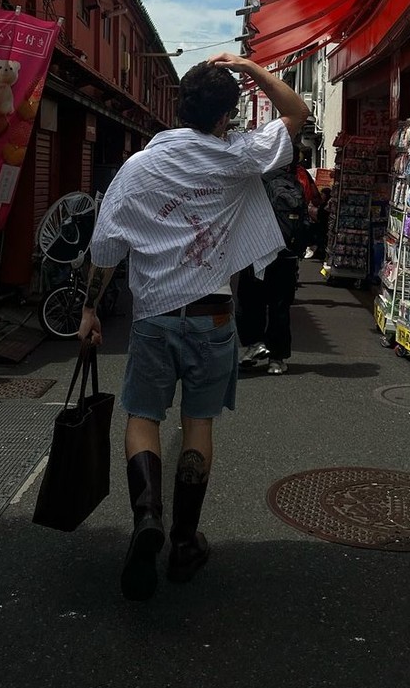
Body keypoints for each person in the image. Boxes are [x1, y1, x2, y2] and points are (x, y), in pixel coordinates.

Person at [77, 53, 308, 601]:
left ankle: (146, 517)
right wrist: (249, 66)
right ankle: (184, 541)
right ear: (226, 115)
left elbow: (106, 244)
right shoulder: (237, 157)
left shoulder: (139, 167)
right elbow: (297, 113)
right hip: (214, 315)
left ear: (180, 107)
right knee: (198, 424)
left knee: (143, 417)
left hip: (155, 316)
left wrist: (90, 309)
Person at [238, 149, 308, 374]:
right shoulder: (295, 183)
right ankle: (277, 359)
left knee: (250, 301)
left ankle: (254, 344)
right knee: (280, 306)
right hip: (285, 254)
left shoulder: (255, 181)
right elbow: (304, 220)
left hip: (256, 252)